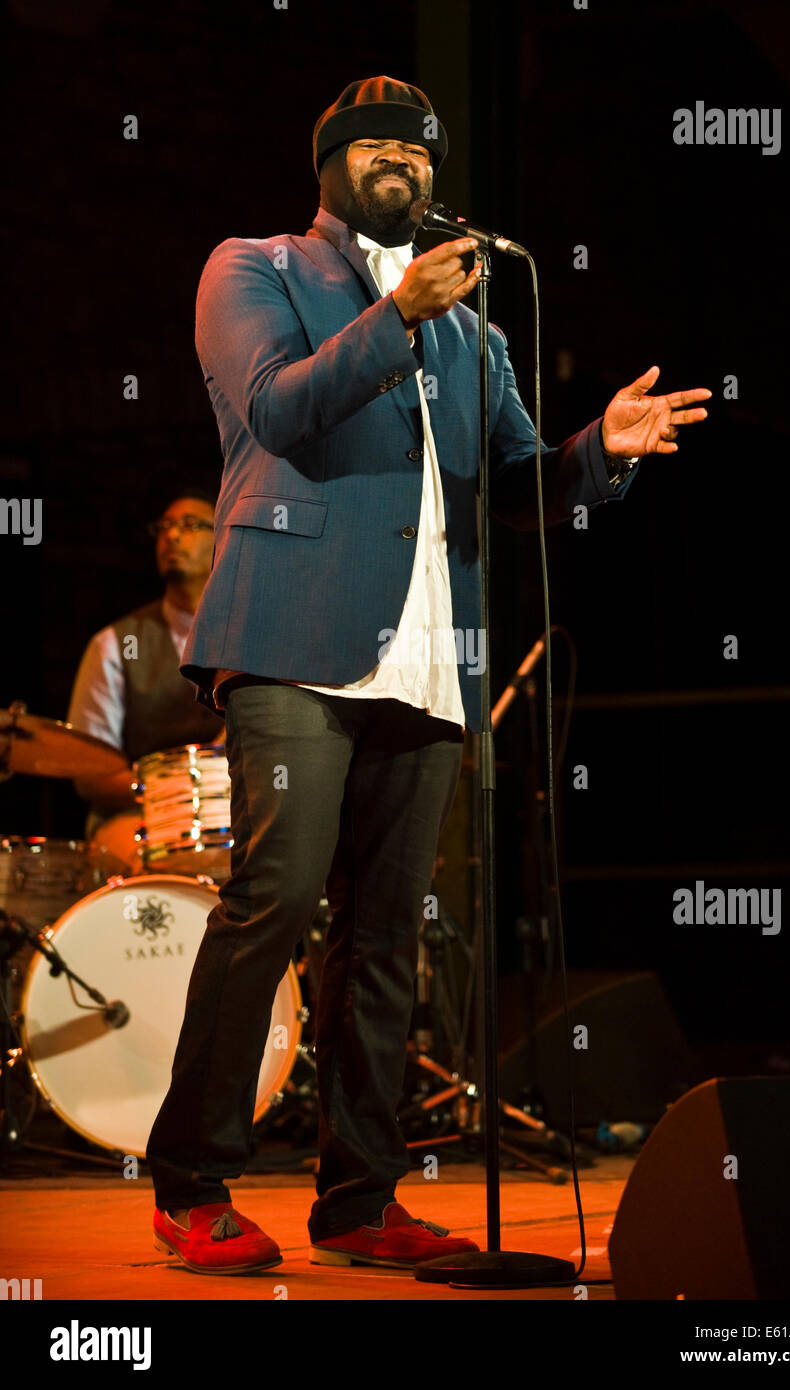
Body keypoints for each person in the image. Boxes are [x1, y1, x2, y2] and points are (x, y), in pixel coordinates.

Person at [145, 77, 711, 1275]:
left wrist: (593, 455)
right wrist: (394, 315)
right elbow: (278, 411)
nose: (396, 158)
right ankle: (191, 1178)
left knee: (387, 935)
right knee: (277, 899)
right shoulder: (254, 269)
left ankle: (359, 1200)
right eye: (371, 145)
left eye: (415, 146)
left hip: (426, 657)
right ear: (331, 167)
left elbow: (511, 487)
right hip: (292, 640)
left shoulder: (477, 325)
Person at [67, 489, 224, 849]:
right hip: (139, 817)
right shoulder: (114, 644)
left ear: (223, 540)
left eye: (190, 525)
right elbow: (88, 775)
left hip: (231, 815)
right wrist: (174, 793)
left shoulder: (254, 634)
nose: (171, 535)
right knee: (138, 864)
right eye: (164, 527)